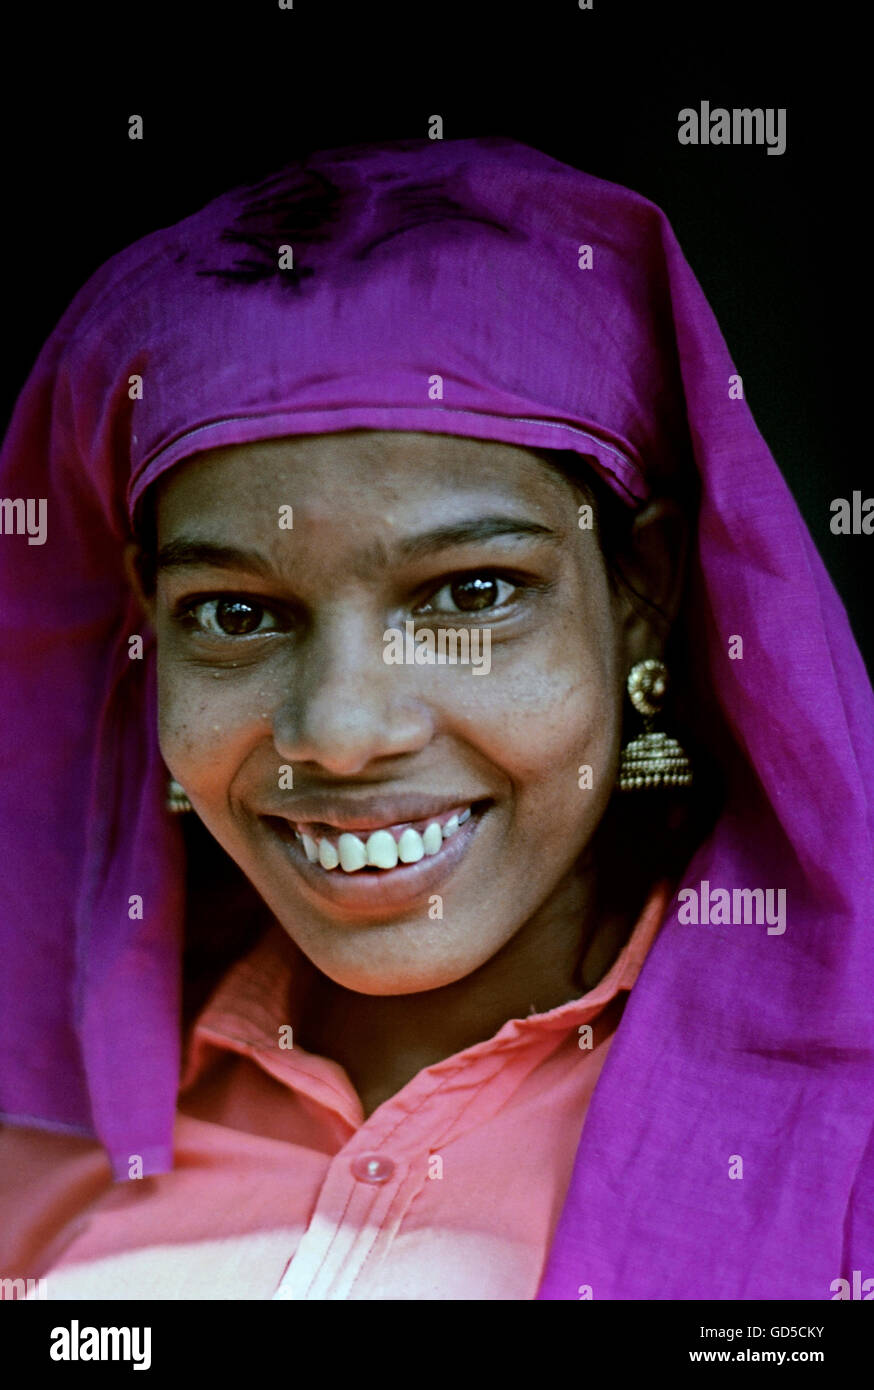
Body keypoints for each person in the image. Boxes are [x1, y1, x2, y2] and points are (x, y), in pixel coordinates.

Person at [0, 136, 871, 1301]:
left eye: (470, 592)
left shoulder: (843, 1152)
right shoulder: (39, 1148)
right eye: (234, 612)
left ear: (642, 594)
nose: (342, 732)